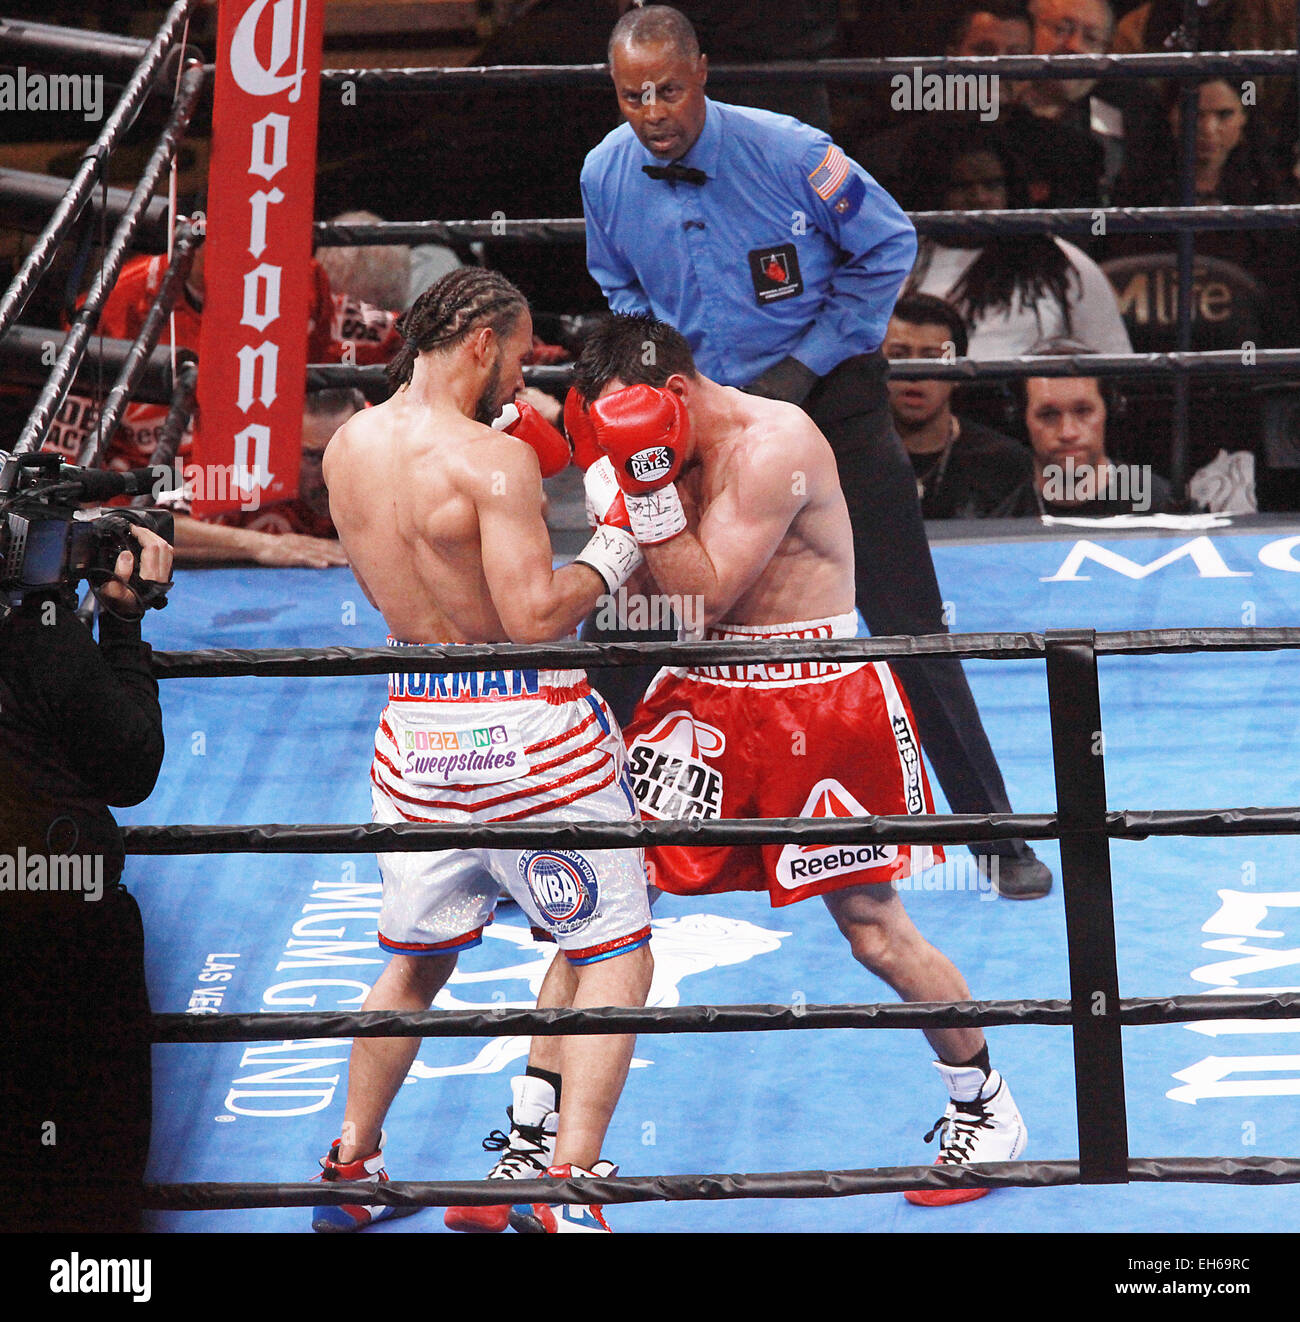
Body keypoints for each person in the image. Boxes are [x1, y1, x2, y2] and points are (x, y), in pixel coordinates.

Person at [528, 312, 1027, 1207]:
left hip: (816, 702)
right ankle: (535, 1145)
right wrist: (615, 489)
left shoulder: (776, 444)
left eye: (627, 423)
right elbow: (640, 594)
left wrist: (639, 492)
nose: (619, 441)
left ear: (672, 395)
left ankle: (984, 1108)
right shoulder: (639, 441)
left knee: (873, 928)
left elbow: (699, 594)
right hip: (700, 701)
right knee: (598, 912)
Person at [580, 3, 1053, 898]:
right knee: (630, 614)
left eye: (668, 90)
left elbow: (887, 245)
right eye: (633, 95)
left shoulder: (790, 152)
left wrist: (809, 360)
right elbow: (618, 284)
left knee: (907, 614)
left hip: (828, 406)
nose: (652, 111)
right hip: (696, 417)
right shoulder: (604, 174)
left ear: (704, 74)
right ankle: (571, 816)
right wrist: (653, 386)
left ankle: (996, 835)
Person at [315, 267, 654, 1235]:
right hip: (530, 732)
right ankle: (570, 1186)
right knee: (612, 951)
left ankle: (352, 1158)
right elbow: (536, 619)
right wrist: (615, 545)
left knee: (416, 960)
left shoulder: (346, 447)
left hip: (415, 730)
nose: (522, 378)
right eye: (517, 357)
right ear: (479, 342)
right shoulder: (487, 462)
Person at [0, 521, 173, 1232]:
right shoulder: (36, 640)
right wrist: (122, 625)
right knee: (90, 1162)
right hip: (57, 924)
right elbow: (130, 769)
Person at [903, 124, 1133, 359]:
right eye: (962, 186)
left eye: (992, 185)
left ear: (1010, 188)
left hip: (1029, 393)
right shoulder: (905, 261)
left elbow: (1112, 355)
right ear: (938, 191)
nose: (979, 198)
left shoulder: (1060, 263)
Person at [884, 294, 1033, 517]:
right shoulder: (847, 456)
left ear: (958, 371)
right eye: (899, 356)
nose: (914, 373)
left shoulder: (1005, 463)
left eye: (932, 358)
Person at [1011, 0, 1164, 206]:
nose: (1075, 46)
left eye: (1092, 39)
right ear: (1027, 30)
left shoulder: (1132, 108)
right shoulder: (994, 103)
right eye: (1061, 29)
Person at [999, 342, 1176, 515]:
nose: (1068, 432)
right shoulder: (1001, 528)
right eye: (1048, 415)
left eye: (1083, 411)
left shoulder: (1165, 510)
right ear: (1022, 420)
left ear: (1110, 410)